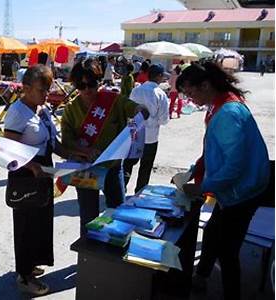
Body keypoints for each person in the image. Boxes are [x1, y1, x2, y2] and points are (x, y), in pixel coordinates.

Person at [175, 61, 270, 300]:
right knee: (212, 231)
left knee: (228, 252)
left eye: (191, 92)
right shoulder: (218, 104)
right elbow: (216, 148)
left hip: (243, 191)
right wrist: (198, 166)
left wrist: (201, 187)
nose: (189, 99)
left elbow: (233, 168)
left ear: (205, 85)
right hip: (236, 186)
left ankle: (230, 294)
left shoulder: (228, 113)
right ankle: (202, 276)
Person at [4, 65, 85, 296]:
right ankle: (24, 275)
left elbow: (52, 141)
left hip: (43, 170)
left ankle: (31, 263)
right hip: (25, 174)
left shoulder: (43, 108)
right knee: (26, 226)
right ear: (26, 88)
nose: (46, 94)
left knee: (41, 222)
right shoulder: (17, 112)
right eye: (42, 89)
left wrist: (72, 154)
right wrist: (31, 166)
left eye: (48, 89)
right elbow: (9, 149)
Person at [61, 58, 148, 236]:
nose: (87, 90)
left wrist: (140, 109)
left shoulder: (113, 100)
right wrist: (85, 151)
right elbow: (67, 141)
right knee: (88, 216)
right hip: (86, 168)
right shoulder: (71, 109)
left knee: (118, 213)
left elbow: (134, 108)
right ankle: (88, 257)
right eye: (81, 86)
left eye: (91, 84)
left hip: (113, 167)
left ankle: (115, 252)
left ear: (99, 81)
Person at [123, 64, 170, 193]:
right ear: (159, 76)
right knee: (146, 165)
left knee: (128, 164)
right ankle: (140, 191)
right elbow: (164, 120)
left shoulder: (136, 90)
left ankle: (121, 188)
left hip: (134, 134)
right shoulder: (160, 94)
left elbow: (129, 110)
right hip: (151, 137)